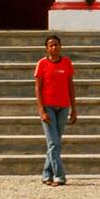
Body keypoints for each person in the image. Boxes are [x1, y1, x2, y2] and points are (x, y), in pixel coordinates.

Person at [34, 34, 76, 185]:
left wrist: (74, 109)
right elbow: (38, 89)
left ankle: (46, 175)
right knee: (53, 143)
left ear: (61, 46)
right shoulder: (42, 64)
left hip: (63, 107)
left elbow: (70, 86)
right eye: (51, 45)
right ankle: (60, 176)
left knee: (56, 142)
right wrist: (41, 111)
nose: (54, 47)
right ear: (46, 48)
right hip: (48, 107)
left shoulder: (67, 63)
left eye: (56, 44)